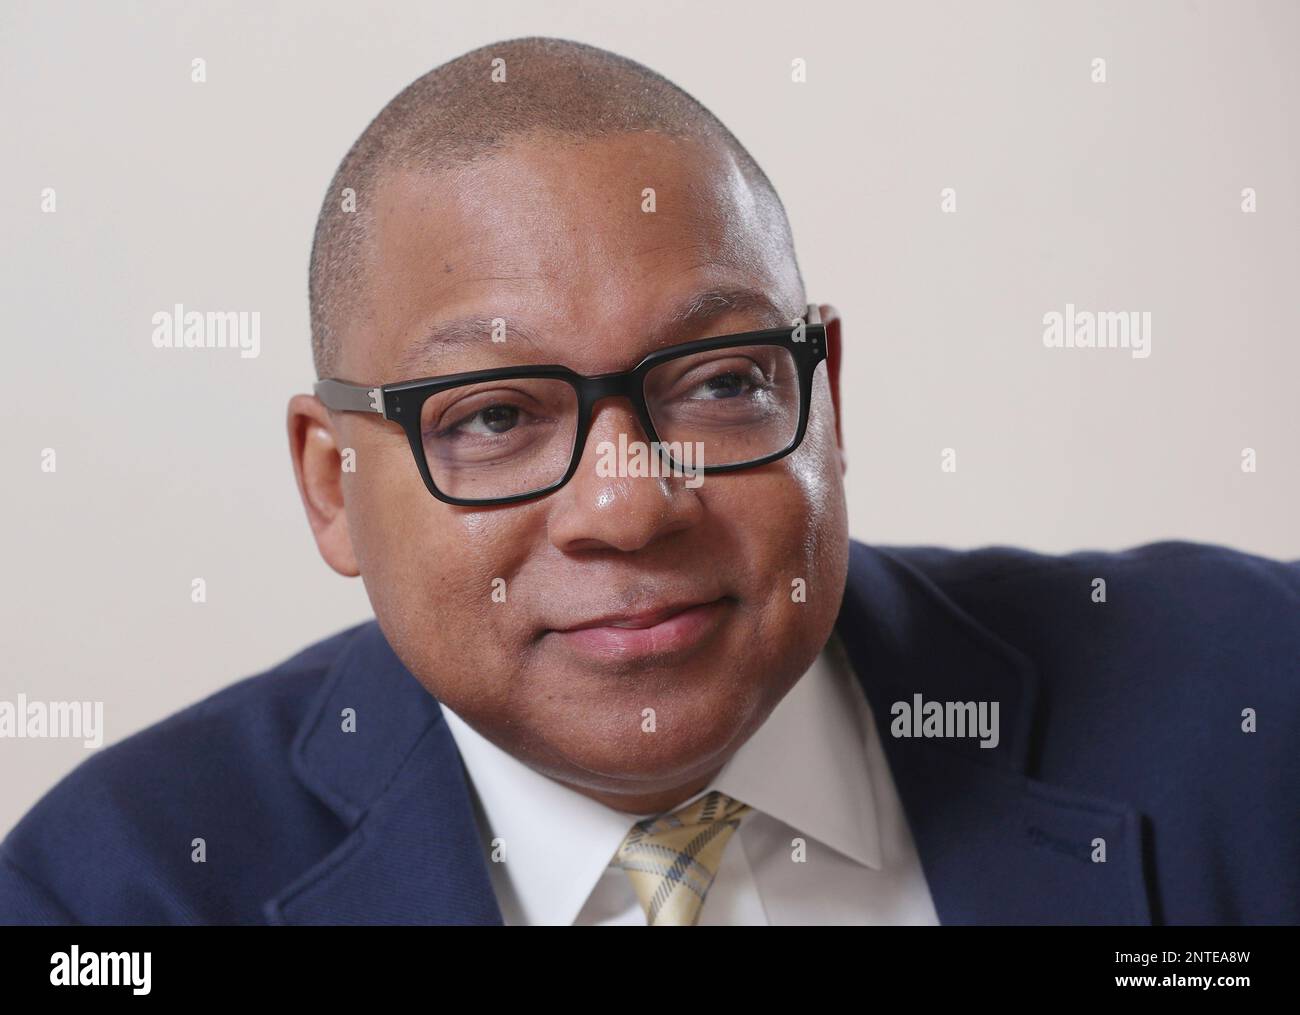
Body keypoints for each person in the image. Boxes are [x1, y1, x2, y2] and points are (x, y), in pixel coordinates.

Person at [2, 36, 1296, 927]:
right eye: (496, 416)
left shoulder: (1254, 702)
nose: (628, 504)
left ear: (824, 394)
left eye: (721, 381)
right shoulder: (111, 895)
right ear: (331, 484)